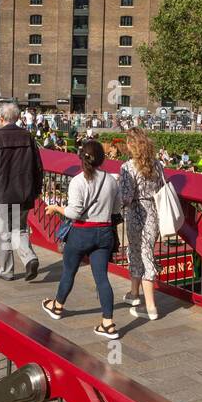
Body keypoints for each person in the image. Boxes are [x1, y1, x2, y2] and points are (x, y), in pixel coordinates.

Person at [42, 140, 121, 340]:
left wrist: (55, 209)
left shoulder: (78, 181)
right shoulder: (111, 180)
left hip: (82, 232)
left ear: (81, 157)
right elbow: (116, 210)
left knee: (69, 270)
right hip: (104, 233)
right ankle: (108, 323)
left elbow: (73, 212)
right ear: (101, 158)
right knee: (102, 278)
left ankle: (57, 306)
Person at [0, 101, 43, 282]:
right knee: (20, 229)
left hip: (2, 194)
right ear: (18, 118)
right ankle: (29, 258)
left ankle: (6, 270)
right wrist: (36, 190)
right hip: (24, 192)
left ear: (1, 118)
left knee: (4, 233)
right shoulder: (28, 137)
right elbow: (38, 167)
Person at [118, 129, 163, 321]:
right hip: (153, 212)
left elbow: (126, 198)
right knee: (142, 251)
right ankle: (134, 294)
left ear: (132, 145)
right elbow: (161, 188)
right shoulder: (157, 165)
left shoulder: (128, 167)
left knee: (141, 254)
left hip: (136, 214)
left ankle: (150, 307)